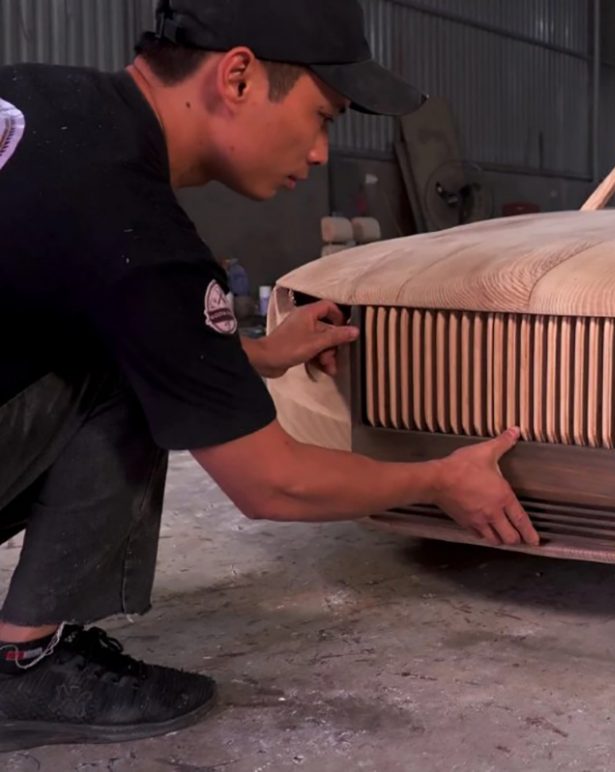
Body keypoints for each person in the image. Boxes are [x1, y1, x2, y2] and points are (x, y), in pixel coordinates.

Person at [0, 0, 539, 752]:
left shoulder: (35, 96)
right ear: (240, 77)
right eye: (323, 116)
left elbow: (82, 319)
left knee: (128, 357)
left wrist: (249, 354)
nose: (322, 153)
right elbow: (270, 483)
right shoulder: (133, 229)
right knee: (135, 387)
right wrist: (441, 481)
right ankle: (26, 663)